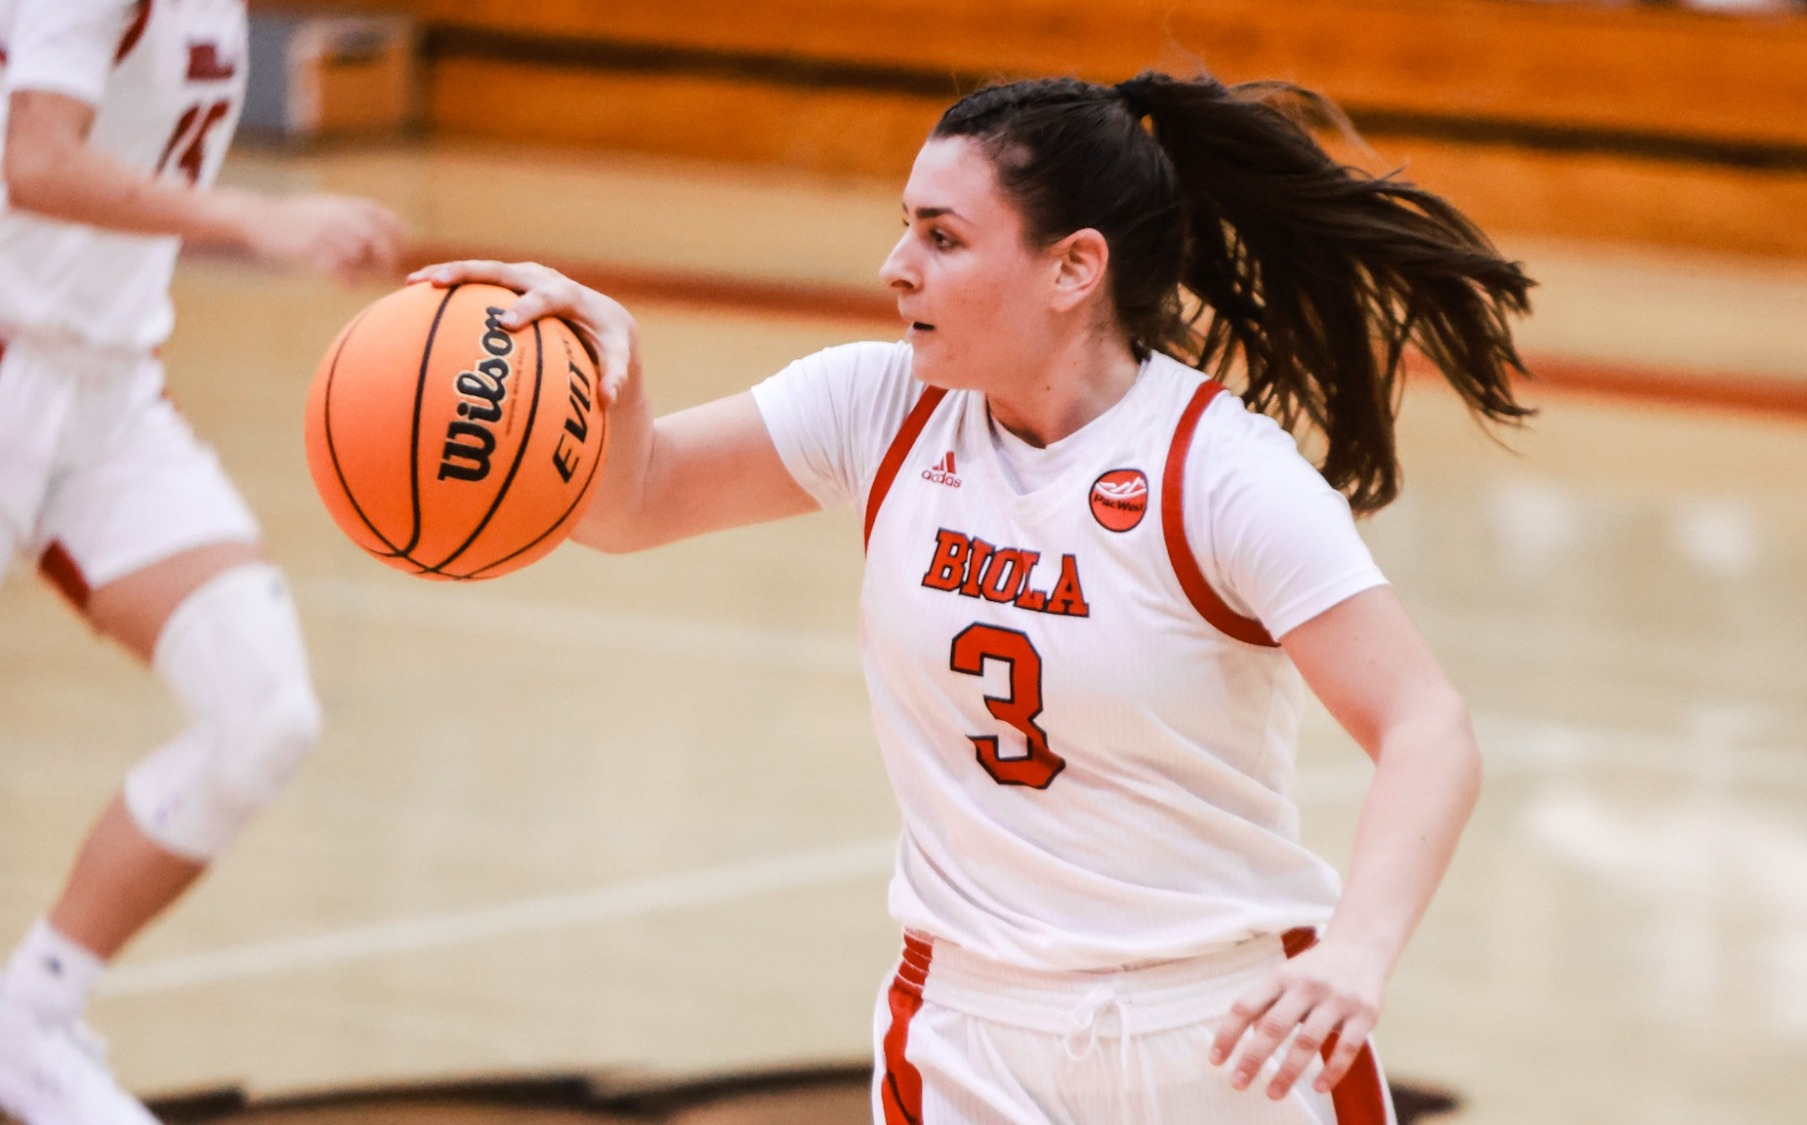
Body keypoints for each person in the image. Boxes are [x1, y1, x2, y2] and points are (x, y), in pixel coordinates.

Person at [414, 71, 1530, 1124]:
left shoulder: (1219, 477)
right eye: (906, 226)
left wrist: (1355, 954)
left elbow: (1425, 727)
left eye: (941, 238)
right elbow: (632, 502)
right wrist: (602, 367)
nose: (897, 266)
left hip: (1220, 1026)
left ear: (1071, 269)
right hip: (970, 1025)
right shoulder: (877, 405)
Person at [0, 1, 405, 1121]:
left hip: (101, 391)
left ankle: (31, 1018)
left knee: (262, 709)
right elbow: (31, 159)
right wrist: (257, 221)